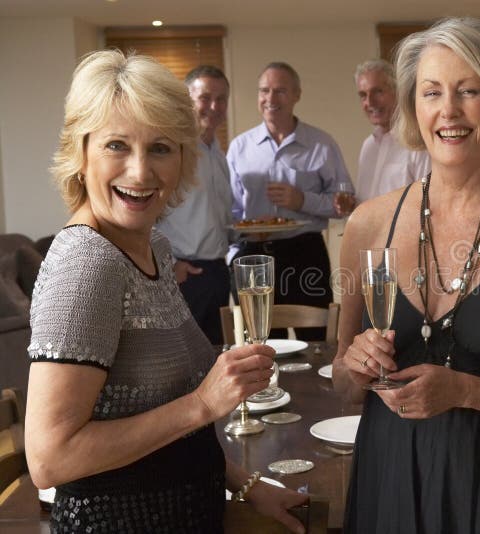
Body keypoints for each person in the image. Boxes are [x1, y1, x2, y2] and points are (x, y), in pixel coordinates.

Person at [25, 50, 308, 533]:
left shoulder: (151, 244)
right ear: (81, 151)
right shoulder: (86, 264)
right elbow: (50, 459)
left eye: (160, 148)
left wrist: (244, 484)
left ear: (182, 159)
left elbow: (173, 436)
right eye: (117, 145)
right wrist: (203, 402)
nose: (140, 172)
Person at [333, 18, 480, 534]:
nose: (449, 111)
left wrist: (465, 392)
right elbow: (342, 384)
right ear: (413, 109)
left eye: (469, 90)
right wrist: (353, 368)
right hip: (387, 478)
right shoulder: (367, 224)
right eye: (432, 92)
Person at [227, 61, 352, 340]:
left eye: (280, 91)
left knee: (319, 338)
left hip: (305, 253)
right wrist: (233, 252)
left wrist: (302, 200)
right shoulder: (239, 148)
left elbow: (344, 202)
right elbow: (229, 211)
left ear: (297, 95)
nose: (270, 99)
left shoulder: (322, 144)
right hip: (253, 257)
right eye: (264, 91)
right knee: (263, 345)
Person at [156, 65, 233, 345]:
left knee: (215, 354)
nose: (214, 106)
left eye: (221, 98)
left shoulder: (218, 154)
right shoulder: (172, 150)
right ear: (187, 100)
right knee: (184, 359)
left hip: (218, 271)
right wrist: (171, 265)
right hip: (186, 275)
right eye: (205, 97)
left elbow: (217, 216)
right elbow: (147, 215)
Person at [348, 59, 430, 207]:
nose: (370, 102)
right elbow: (365, 202)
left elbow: (428, 202)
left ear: (398, 91)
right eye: (363, 95)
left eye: (378, 92)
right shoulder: (368, 146)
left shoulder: (418, 140)